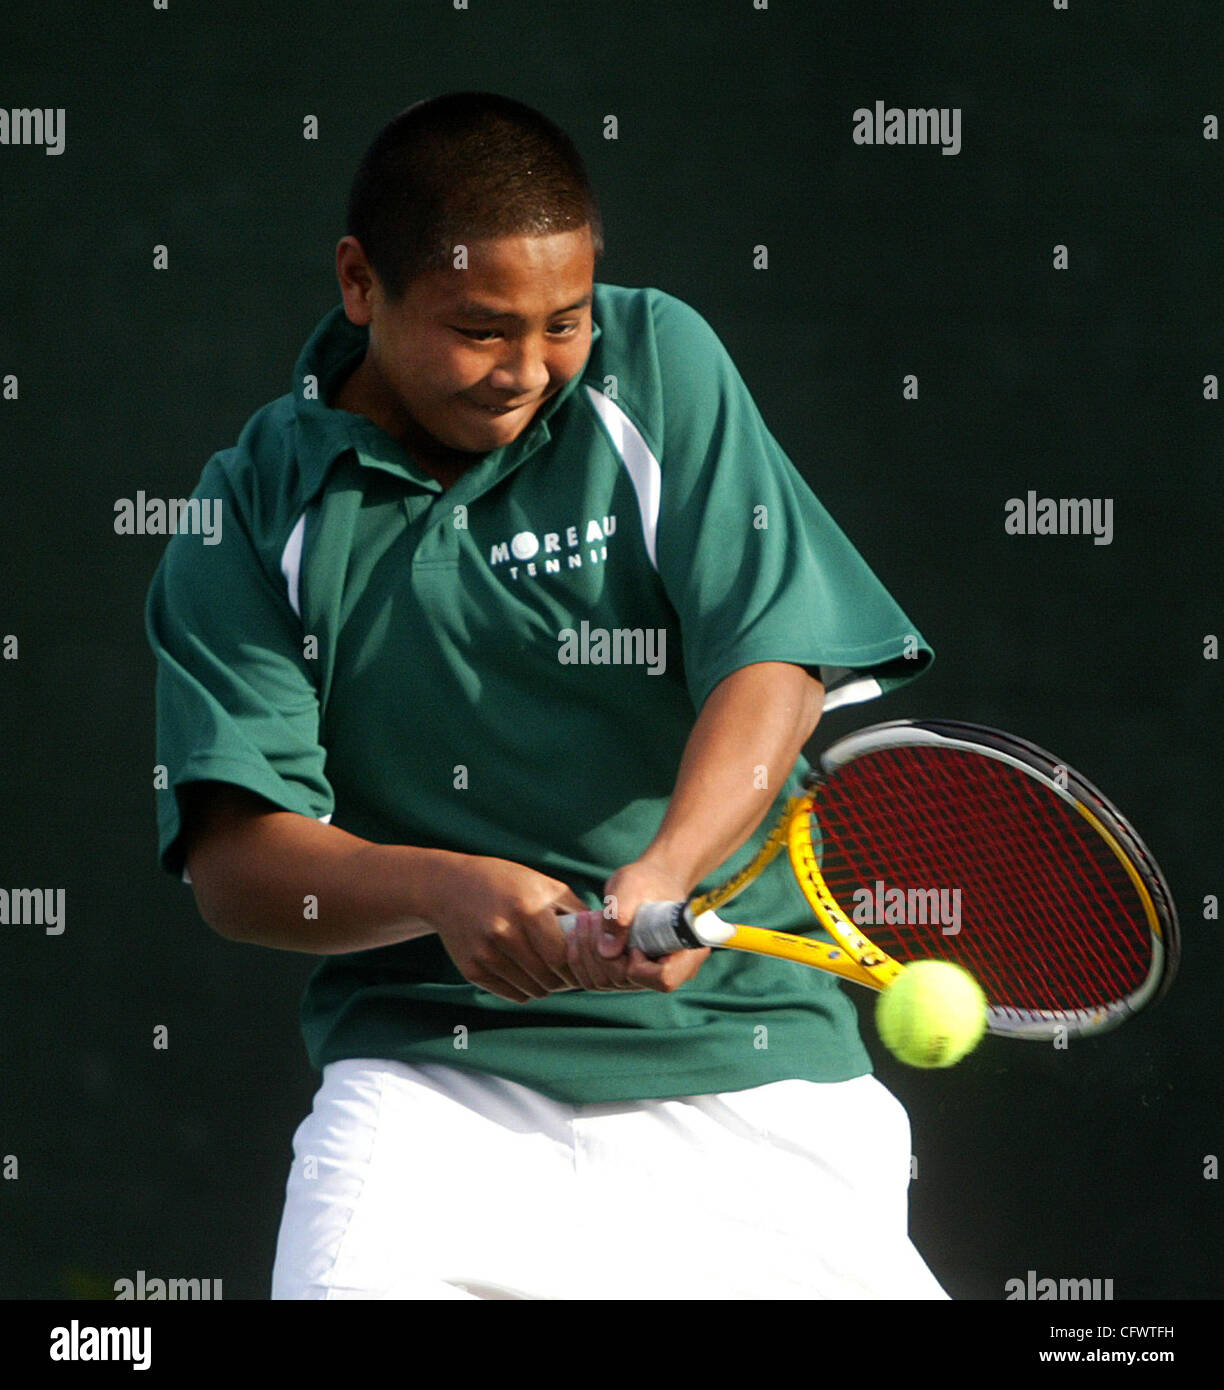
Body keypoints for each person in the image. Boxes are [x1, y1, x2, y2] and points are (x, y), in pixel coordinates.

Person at [146, 91, 947, 1299]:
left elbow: (773, 660)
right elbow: (236, 863)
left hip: (756, 1067)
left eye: (560, 321)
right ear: (360, 284)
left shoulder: (658, 362)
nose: (527, 370)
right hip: (428, 1090)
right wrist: (440, 888)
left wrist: (669, 868)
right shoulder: (251, 508)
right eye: (480, 329)